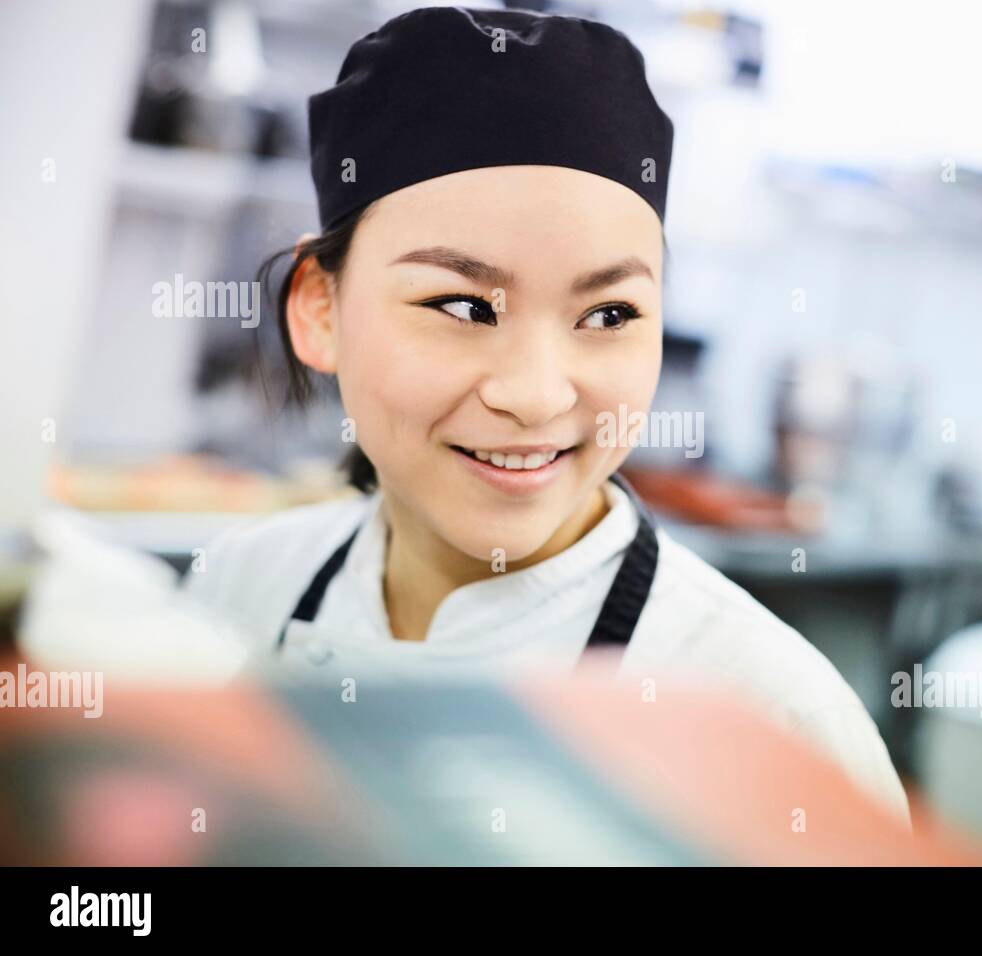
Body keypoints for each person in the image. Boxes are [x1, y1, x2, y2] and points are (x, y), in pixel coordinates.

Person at [183, 5, 909, 825]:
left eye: (608, 316)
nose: (535, 396)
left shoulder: (772, 719)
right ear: (320, 309)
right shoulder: (239, 589)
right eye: (463, 305)